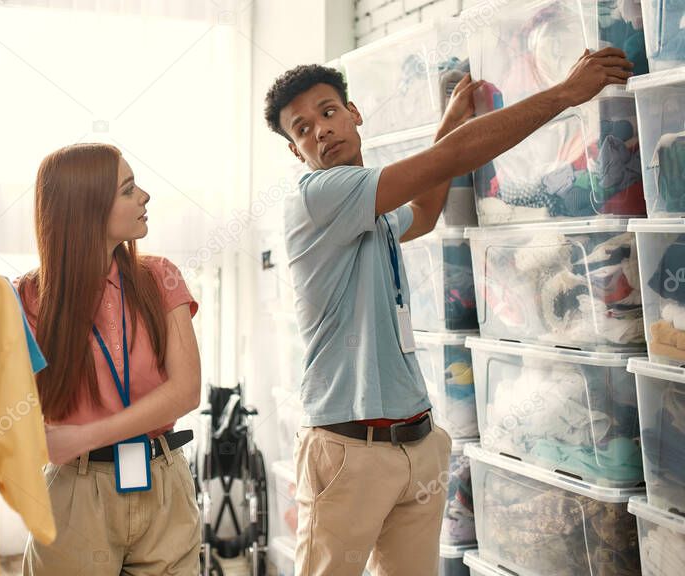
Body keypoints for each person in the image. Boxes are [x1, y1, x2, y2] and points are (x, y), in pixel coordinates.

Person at [262, 48, 634, 576]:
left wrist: (448, 125)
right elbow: (447, 163)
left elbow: (425, 212)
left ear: (353, 113)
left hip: (416, 443)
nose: (320, 131)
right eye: (301, 129)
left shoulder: (368, 212)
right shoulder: (318, 196)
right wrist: (565, 94)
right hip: (348, 449)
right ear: (297, 153)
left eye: (328, 112)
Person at [11, 143, 203, 575]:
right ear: (88, 207)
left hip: (164, 482)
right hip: (75, 493)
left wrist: (84, 435)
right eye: (128, 190)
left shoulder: (160, 276)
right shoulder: (28, 296)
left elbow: (185, 391)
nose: (144, 197)